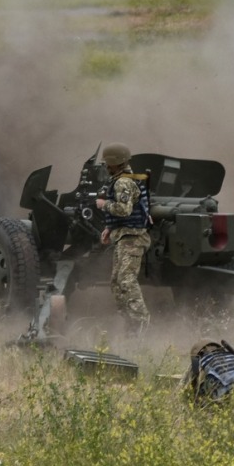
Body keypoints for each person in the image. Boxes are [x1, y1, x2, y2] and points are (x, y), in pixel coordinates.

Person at [95, 142, 152, 334]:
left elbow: (124, 210)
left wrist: (103, 205)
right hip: (124, 236)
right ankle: (131, 326)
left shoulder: (123, 182)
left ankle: (141, 325)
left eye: (107, 163)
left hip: (132, 238)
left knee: (126, 281)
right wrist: (109, 228)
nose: (105, 166)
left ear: (114, 163)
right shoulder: (126, 179)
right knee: (116, 282)